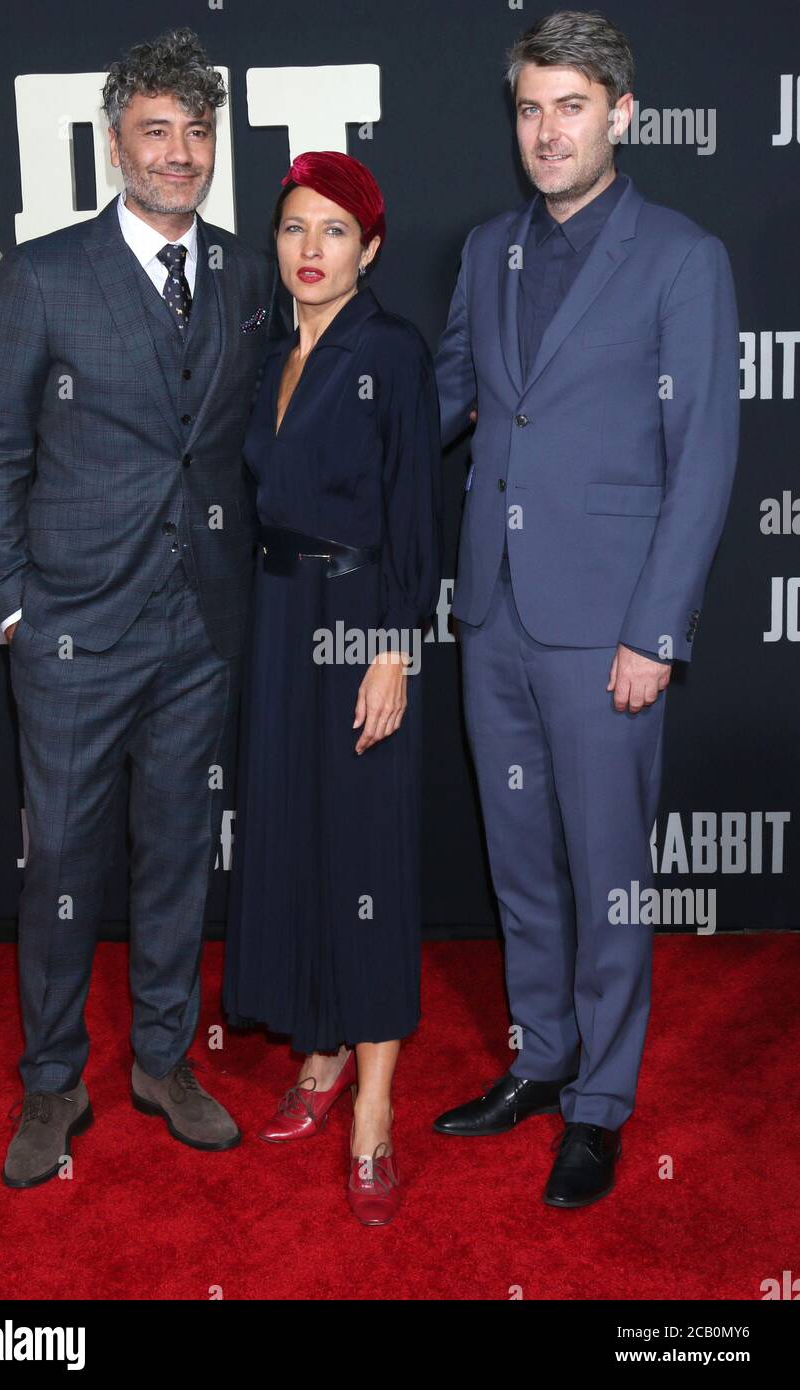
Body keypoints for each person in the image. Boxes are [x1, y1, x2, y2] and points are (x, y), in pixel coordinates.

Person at [0, 28, 286, 1187]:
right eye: (157, 131)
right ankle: (53, 1080)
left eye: (198, 133)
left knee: (174, 856)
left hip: (197, 628)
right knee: (59, 863)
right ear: (116, 144)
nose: (181, 153)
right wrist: (9, 605)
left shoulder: (246, 274)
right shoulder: (45, 273)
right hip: (68, 629)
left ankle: (162, 1058)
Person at [432, 9, 739, 1207]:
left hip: (605, 620)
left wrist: (651, 631)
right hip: (495, 608)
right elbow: (453, 400)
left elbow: (702, 454)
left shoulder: (679, 256)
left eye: (570, 107)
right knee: (520, 863)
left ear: (619, 114)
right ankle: (541, 1057)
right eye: (528, 108)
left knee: (606, 867)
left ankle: (601, 1104)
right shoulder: (484, 252)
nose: (545, 130)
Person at [223, 151, 442, 1225]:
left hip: (360, 622)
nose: (309, 252)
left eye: (333, 234)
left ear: (371, 249)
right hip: (276, 622)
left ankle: (371, 1112)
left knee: (367, 857)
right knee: (296, 842)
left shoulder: (389, 353)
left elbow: (413, 508)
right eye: (293, 230)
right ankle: (313, 1058)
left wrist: (395, 645)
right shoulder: (271, 349)